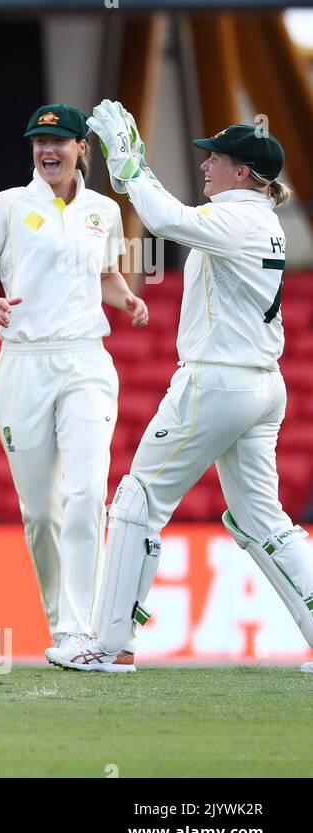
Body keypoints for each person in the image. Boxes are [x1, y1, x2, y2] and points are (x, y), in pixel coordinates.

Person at [49, 101, 313, 673]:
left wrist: (130, 163)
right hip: (262, 385)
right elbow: (175, 216)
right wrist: (131, 173)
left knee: (137, 500)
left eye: (215, 158)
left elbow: (167, 221)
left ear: (243, 172)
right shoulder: (257, 221)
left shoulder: (238, 219)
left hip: (216, 382)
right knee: (261, 522)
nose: (206, 166)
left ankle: (109, 643)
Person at [0, 103, 147, 660]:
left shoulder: (104, 211)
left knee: (86, 493)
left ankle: (86, 629)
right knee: (41, 512)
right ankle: (63, 628)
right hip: (24, 362)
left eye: (59, 141)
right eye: (39, 142)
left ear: (81, 147)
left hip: (86, 359)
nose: (48, 150)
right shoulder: (8, 205)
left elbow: (105, 277)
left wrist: (125, 298)